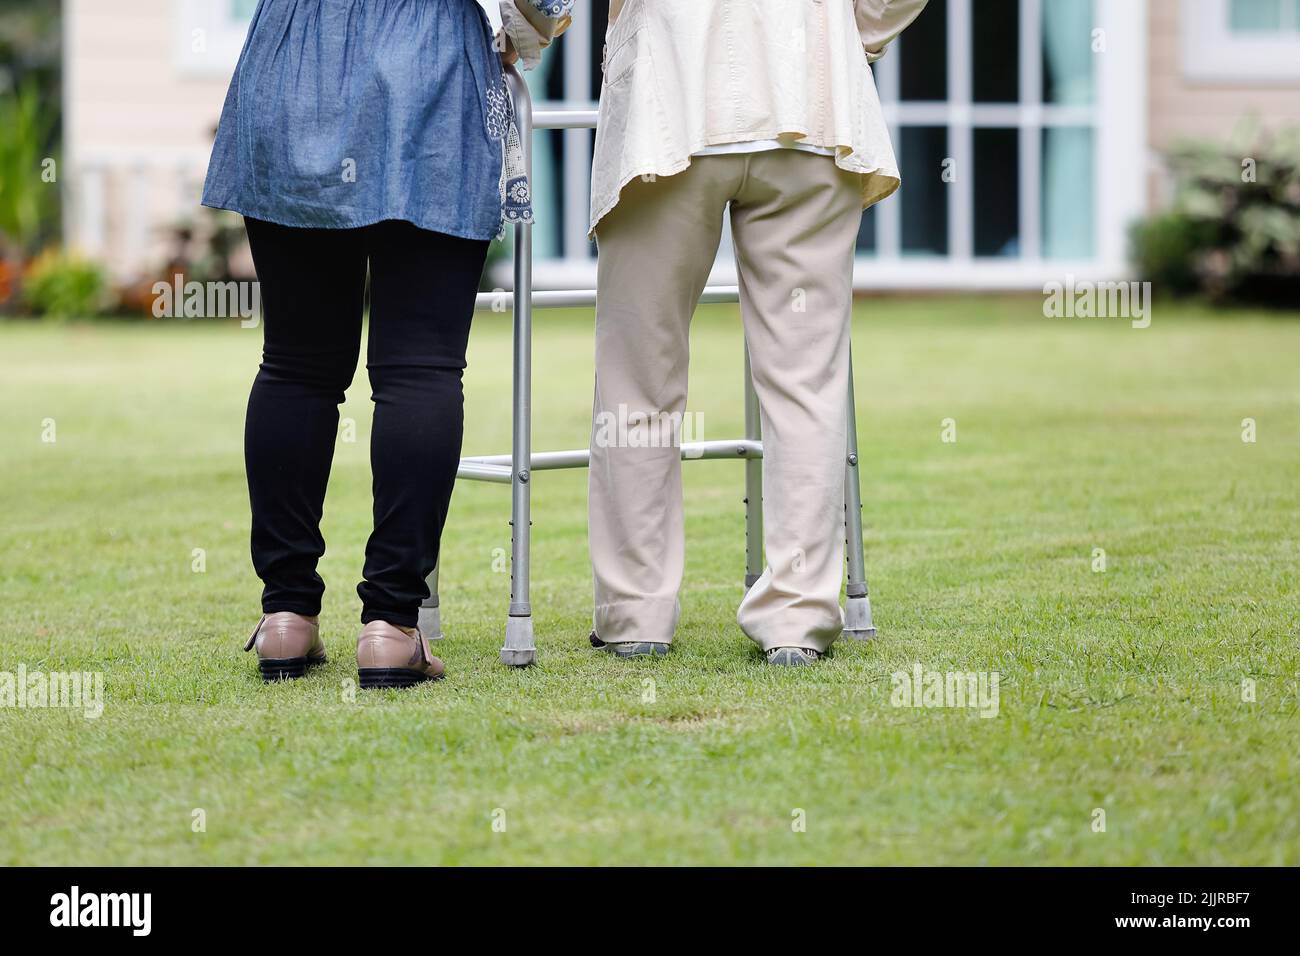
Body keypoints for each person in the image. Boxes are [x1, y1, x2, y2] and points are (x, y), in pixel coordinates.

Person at [201, 0, 571, 687]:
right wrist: (531, 30)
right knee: (419, 367)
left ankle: (286, 617)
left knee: (295, 365)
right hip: (431, 62)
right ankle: (390, 626)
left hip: (290, 63)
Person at [587, 0, 929, 665]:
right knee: (806, 380)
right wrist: (851, 29)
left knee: (639, 375)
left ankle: (636, 613)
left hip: (670, 99)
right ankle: (798, 617)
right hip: (810, 95)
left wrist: (524, 33)